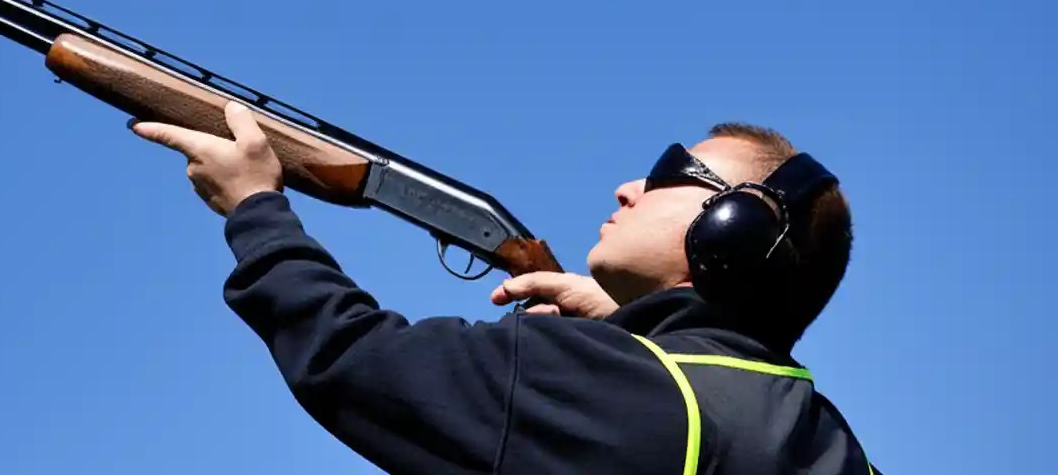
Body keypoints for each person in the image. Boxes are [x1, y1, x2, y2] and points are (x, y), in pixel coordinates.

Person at [129, 102, 880, 474]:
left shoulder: (612, 382)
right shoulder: (829, 441)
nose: (628, 187)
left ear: (733, 231)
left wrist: (258, 210)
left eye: (666, 176)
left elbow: (352, 363)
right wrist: (640, 325)